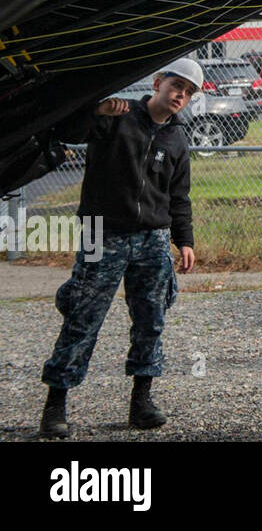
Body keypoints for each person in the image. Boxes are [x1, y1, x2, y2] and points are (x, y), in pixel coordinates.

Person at [39, 59, 202, 438]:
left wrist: (185, 240)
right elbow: (67, 130)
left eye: (189, 92)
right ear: (158, 83)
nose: (181, 95)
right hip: (101, 231)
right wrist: (95, 110)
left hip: (153, 239)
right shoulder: (117, 115)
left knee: (151, 320)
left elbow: (179, 196)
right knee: (82, 316)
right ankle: (55, 405)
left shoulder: (177, 138)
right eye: (176, 85)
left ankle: (141, 402)